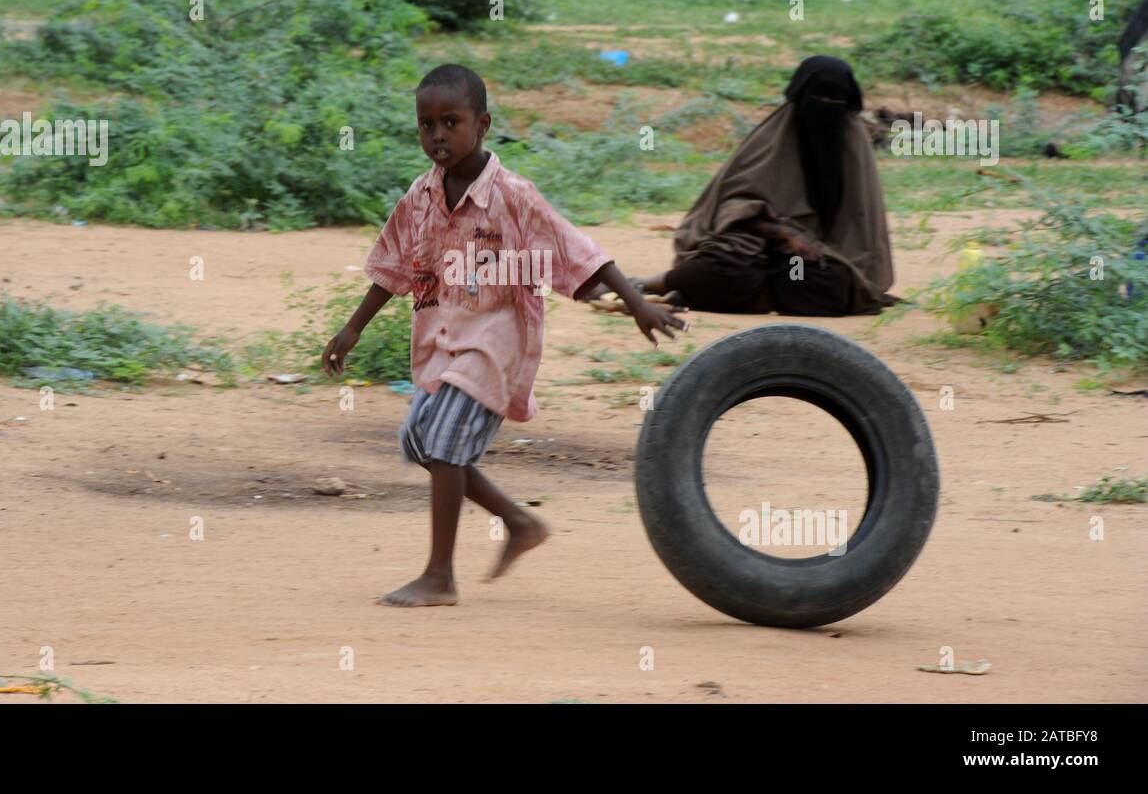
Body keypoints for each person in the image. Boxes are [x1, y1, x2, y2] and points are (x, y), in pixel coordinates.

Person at [322, 64, 685, 607]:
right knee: (421, 444)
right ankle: (518, 522)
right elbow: (391, 266)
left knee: (444, 449)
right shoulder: (420, 197)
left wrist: (637, 305)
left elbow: (577, 249)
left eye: (451, 122)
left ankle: (439, 578)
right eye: (426, 125)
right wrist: (352, 327)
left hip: (496, 342)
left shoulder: (513, 195)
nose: (437, 135)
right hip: (443, 338)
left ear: (483, 124)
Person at [620, 56, 900, 316]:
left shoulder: (853, 147)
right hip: (748, 252)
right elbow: (734, 209)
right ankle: (647, 284)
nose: (825, 108)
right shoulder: (772, 139)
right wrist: (787, 233)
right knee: (719, 269)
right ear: (799, 99)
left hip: (803, 265)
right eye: (817, 99)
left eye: (835, 101)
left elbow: (859, 231)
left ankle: (735, 298)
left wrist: (811, 248)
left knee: (831, 282)